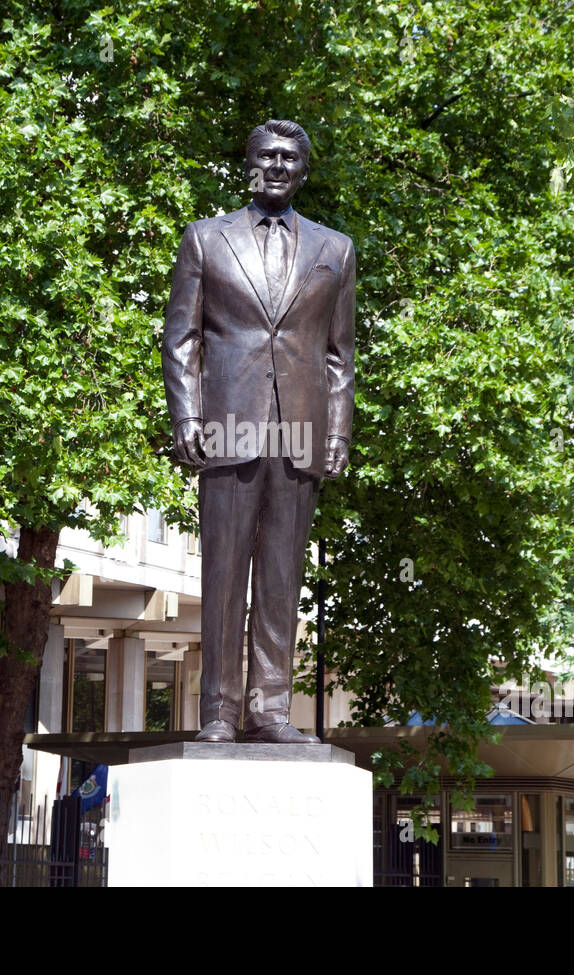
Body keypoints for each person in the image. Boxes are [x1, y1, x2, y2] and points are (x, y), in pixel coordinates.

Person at [162, 119, 356, 744]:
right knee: (222, 573)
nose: (277, 166)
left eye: (289, 158)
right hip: (227, 424)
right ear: (249, 164)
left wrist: (336, 433)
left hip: (300, 430)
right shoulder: (205, 239)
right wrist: (187, 417)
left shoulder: (336, 249)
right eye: (266, 156)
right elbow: (182, 339)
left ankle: (270, 709)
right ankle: (218, 711)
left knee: (281, 574)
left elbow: (338, 355)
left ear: (304, 169)